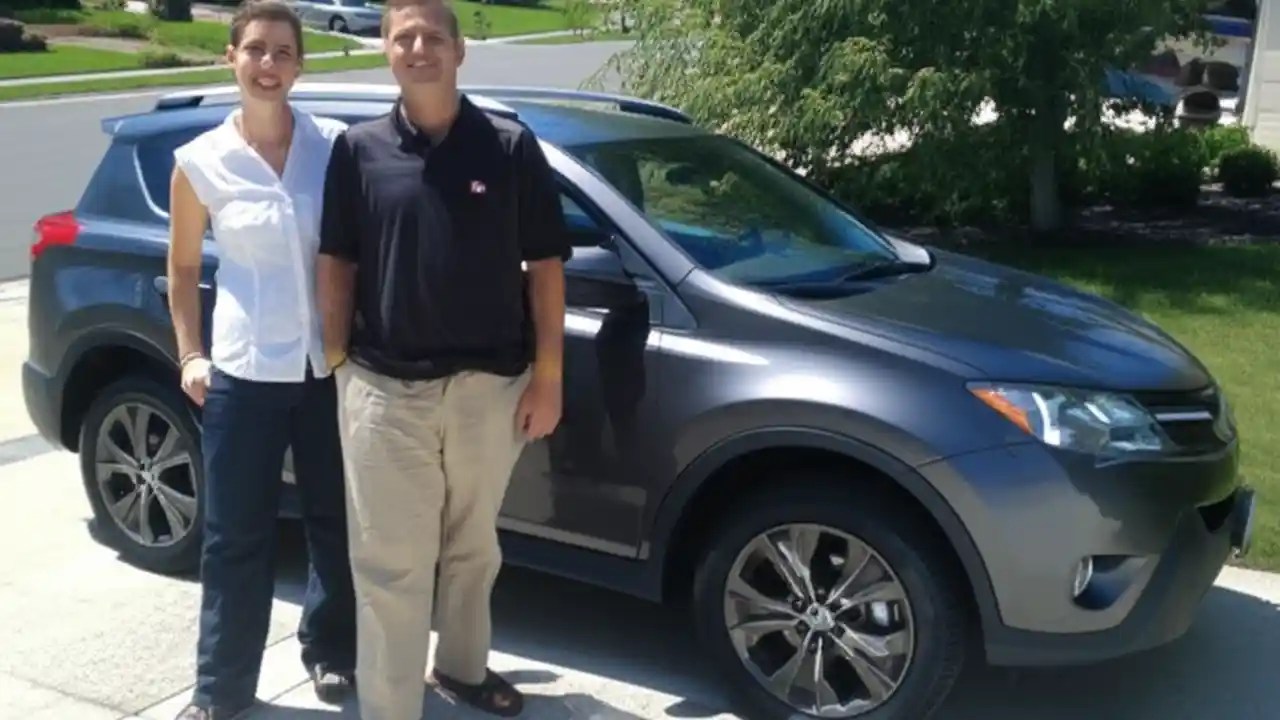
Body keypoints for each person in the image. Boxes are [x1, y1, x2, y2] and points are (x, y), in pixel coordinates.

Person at [314, 0, 571, 716]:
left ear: (460, 52)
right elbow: (336, 258)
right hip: (385, 391)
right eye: (404, 37)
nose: (419, 47)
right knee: (391, 569)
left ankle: (460, 670)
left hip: (491, 390)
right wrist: (338, 358)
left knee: (472, 550)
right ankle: (392, 708)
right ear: (386, 52)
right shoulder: (358, 150)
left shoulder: (512, 146)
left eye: (433, 36)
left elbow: (545, 263)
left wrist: (548, 375)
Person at [166, 1, 357, 717]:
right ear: (231, 58)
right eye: (256, 50)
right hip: (243, 376)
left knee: (335, 524)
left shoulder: (334, 146)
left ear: (300, 64)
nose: (269, 64)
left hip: (325, 371)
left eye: (282, 51)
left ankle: (332, 652)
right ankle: (221, 691)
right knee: (234, 540)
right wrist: (189, 354)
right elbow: (183, 271)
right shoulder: (200, 162)